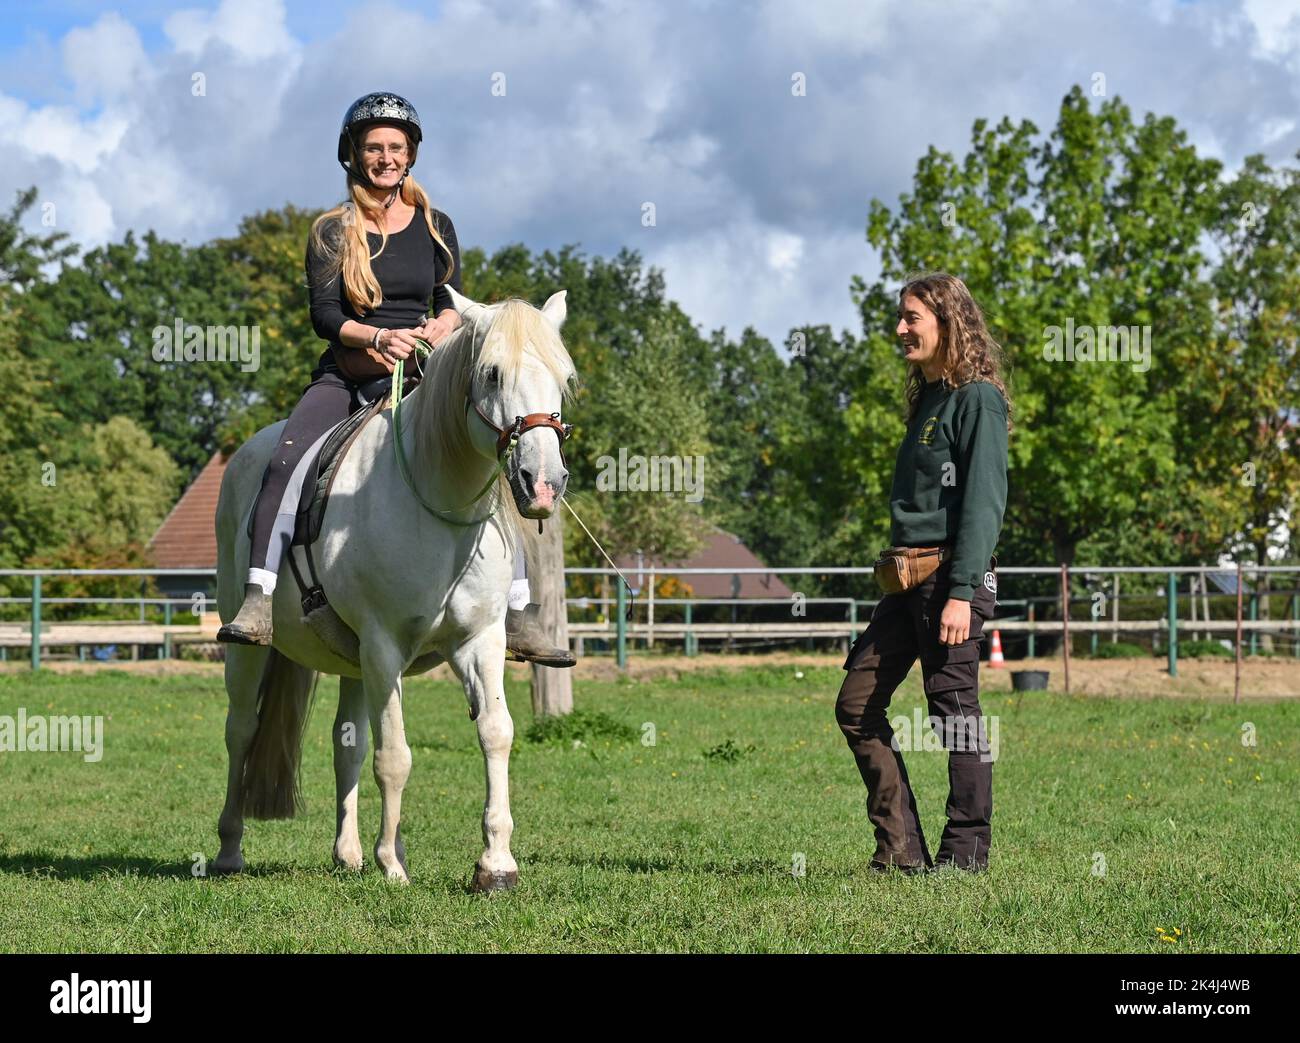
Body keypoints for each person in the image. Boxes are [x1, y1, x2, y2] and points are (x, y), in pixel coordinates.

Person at [218, 91, 574, 666]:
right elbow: (324, 317)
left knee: (491, 459)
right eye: (373, 148)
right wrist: (378, 337)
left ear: (410, 156)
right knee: (285, 462)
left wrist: (441, 326)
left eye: (396, 148)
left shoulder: (436, 226)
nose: (385, 157)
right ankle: (258, 597)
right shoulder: (331, 230)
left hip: (422, 378)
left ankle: (517, 613)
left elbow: (450, 302)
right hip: (347, 376)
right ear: (353, 155)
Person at [834, 271, 1009, 872]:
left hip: (951, 579)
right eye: (900, 317)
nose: (900, 328)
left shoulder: (977, 398)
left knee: (955, 717)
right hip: (907, 580)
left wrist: (962, 591)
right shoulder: (929, 399)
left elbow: (983, 502)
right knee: (857, 704)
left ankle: (965, 855)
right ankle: (902, 851)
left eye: (912, 317)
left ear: (947, 321)